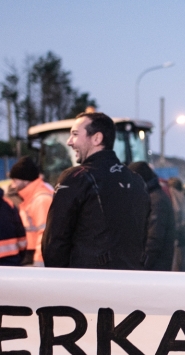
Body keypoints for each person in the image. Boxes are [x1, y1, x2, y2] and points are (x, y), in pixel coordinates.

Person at [43, 112, 149, 269]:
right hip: (130, 278)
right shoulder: (137, 181)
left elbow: (55, 241)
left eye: (75, 134)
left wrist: (60, 277)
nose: (69, 142)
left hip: (87, 279)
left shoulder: (76, 178)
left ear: (97, 138)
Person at [129, 161, 176, 271]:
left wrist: (140, 265)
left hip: (155, 269)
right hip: (154, 267)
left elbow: (154, 240)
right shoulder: (152, 196)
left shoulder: (156, 201)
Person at [8, 156, 54, 266]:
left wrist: (39, 264)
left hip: (36, 257)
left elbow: (44, 236)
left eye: (15, 180)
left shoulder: (41, 200)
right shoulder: (33, 198)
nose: (12, 185)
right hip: (31, 255)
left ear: (25, 180)